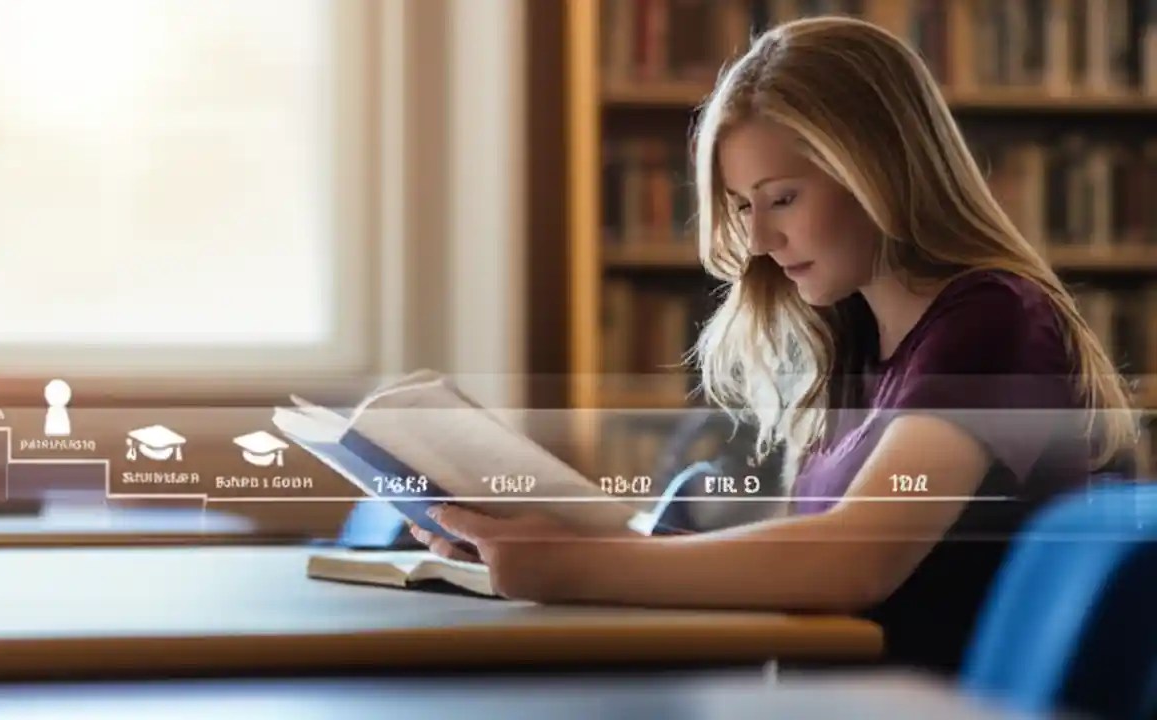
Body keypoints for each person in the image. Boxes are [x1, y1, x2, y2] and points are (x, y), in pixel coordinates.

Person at [409, 16, 1139, 672]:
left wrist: (574, 568)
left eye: (782, 197)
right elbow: (810, 561)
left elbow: (857, 562)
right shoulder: (853, 339)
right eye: (740, 206)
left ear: (878, 170)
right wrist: (535, 543)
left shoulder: (992, 319)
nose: (756, 240)